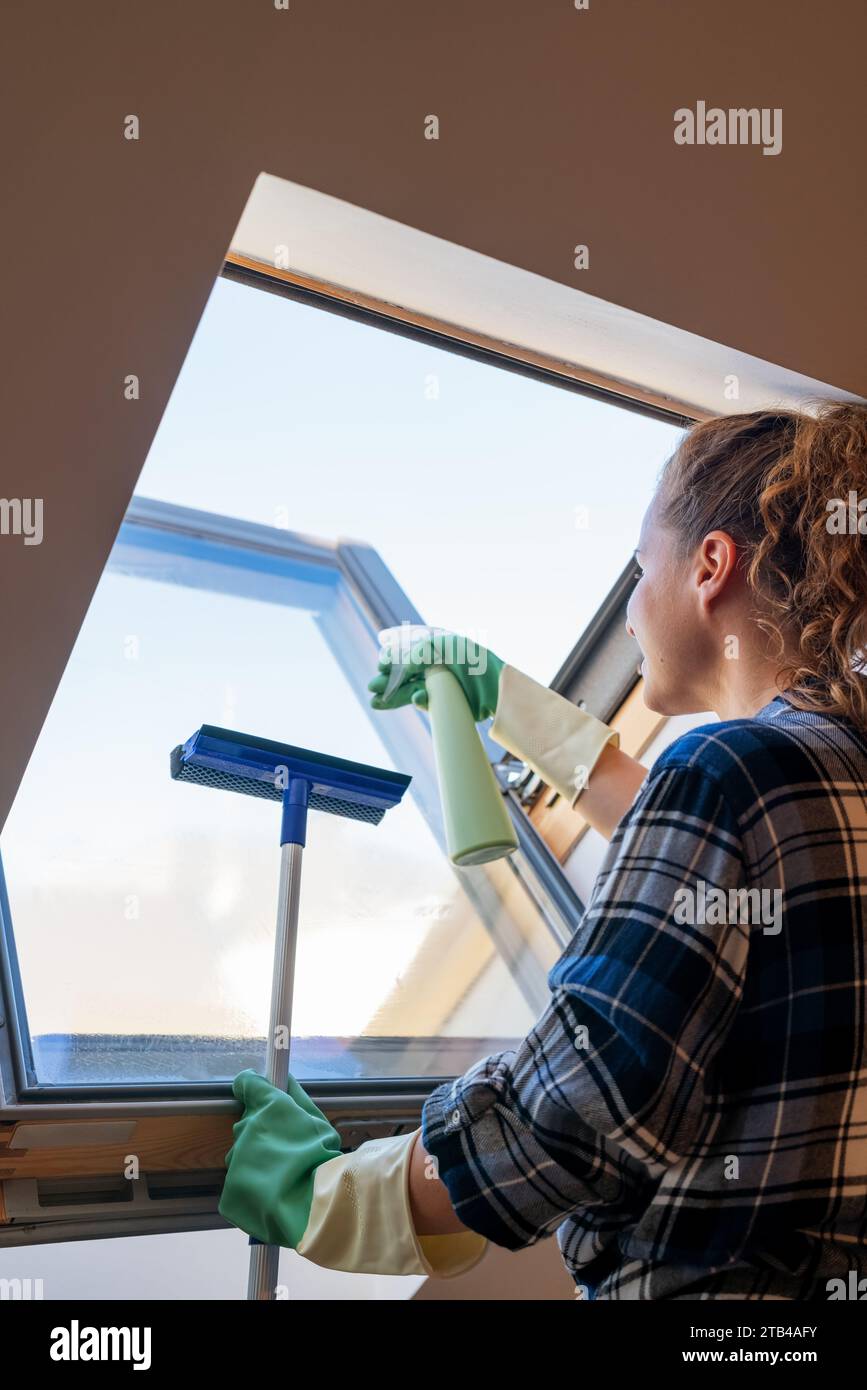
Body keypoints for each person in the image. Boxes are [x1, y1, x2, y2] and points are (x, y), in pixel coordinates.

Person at [219, 401, 867, 1299]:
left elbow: (577, 1110)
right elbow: (745, 881)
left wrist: (329, 1194)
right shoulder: (831, 774)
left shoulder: (725, 775)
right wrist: (506, 699)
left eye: (642, 567)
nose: (633, 612)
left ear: (710, 567)